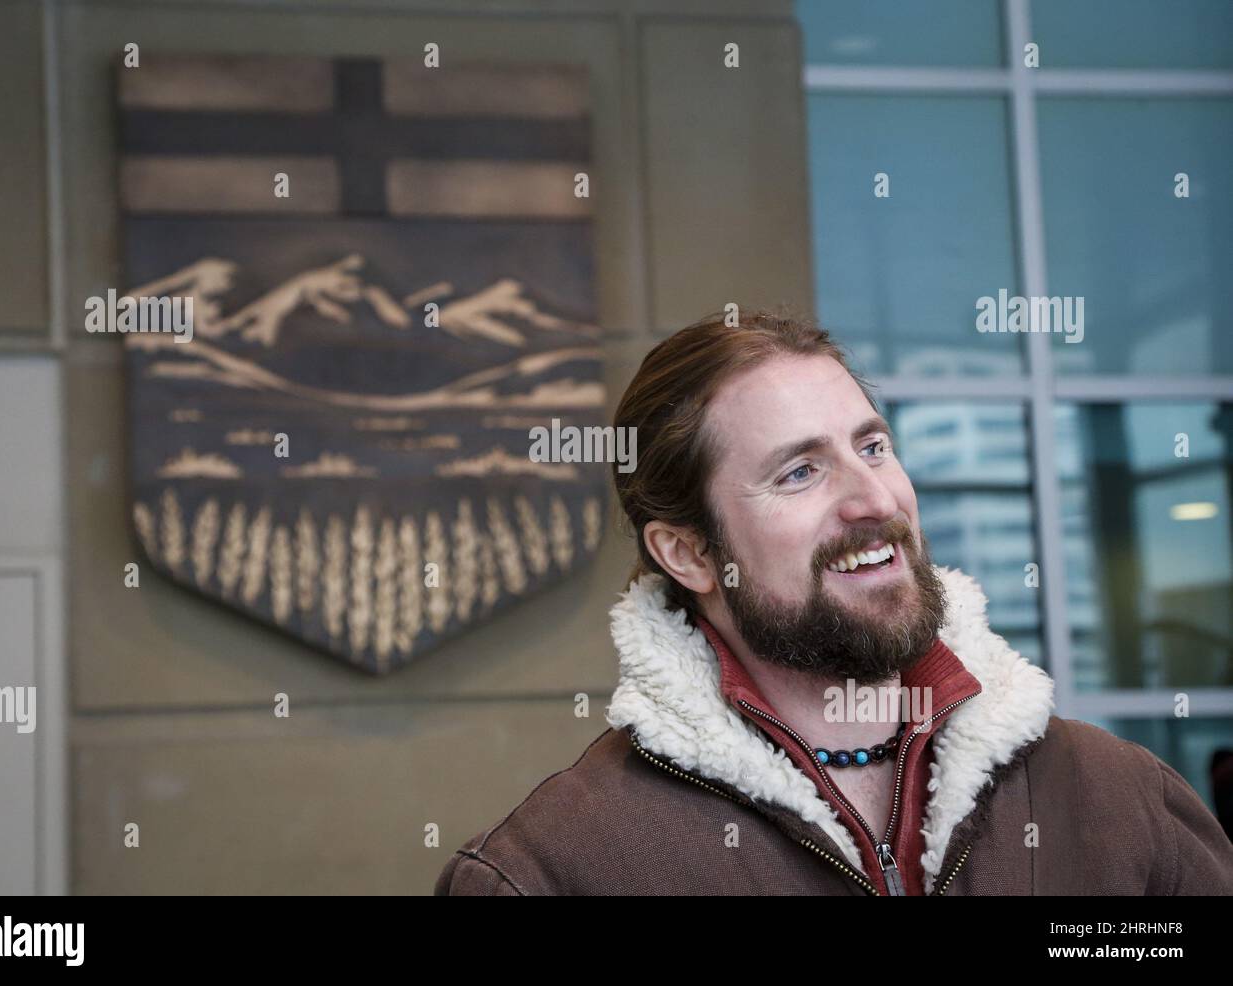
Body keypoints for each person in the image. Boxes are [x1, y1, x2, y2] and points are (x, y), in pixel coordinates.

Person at [434, 308, 1233, 895]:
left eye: (874, 446)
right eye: (799, 472)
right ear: (689, 553)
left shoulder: (1122, 800)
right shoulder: (551, 871)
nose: (873, 498)